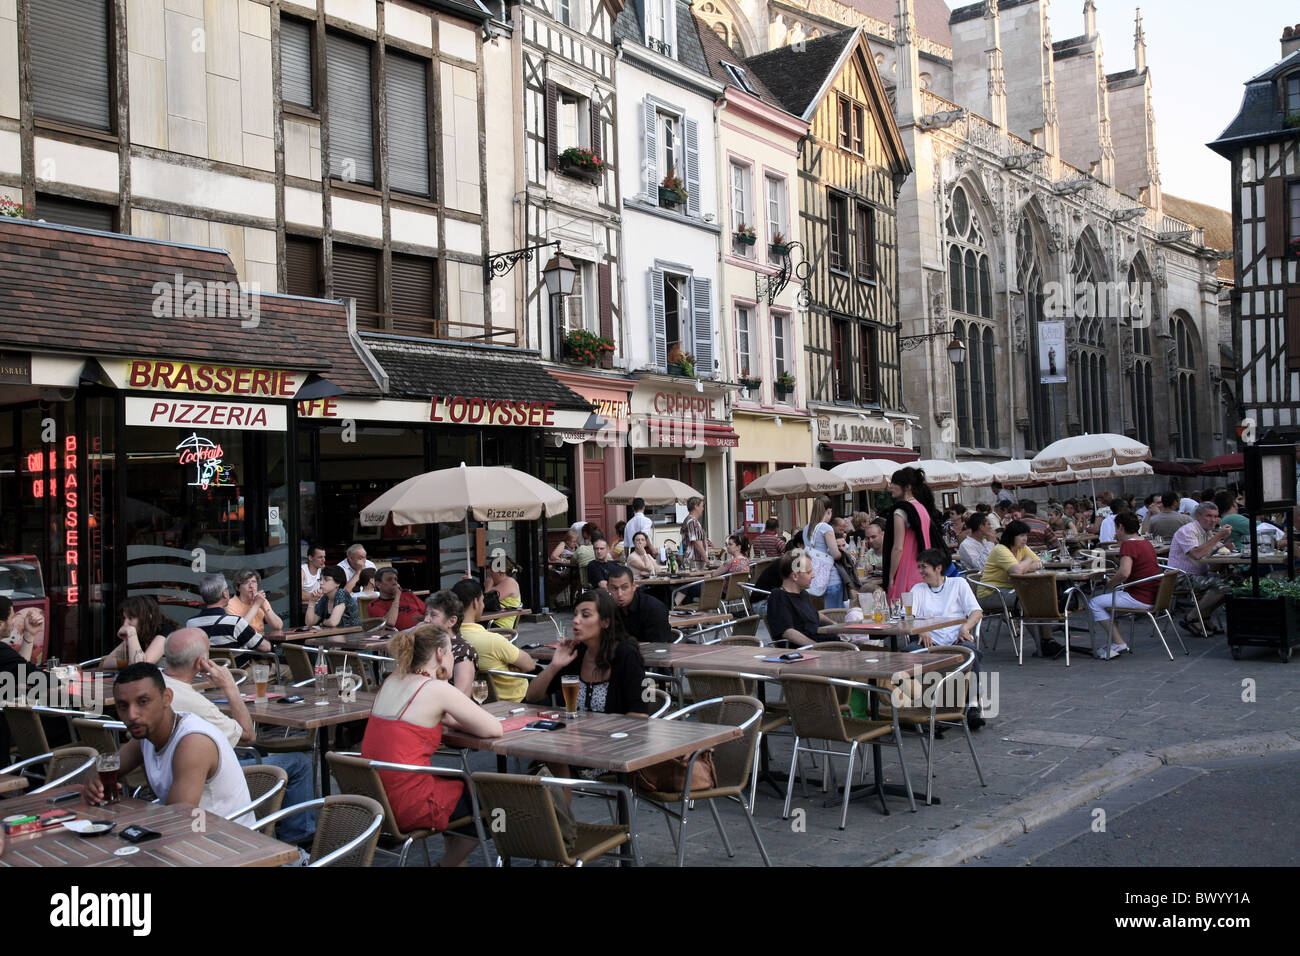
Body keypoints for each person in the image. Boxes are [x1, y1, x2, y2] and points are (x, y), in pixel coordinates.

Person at [360, 624, 503, 866]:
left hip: (375, 798)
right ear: (439, 654)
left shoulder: (392, 680)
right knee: (497, 806)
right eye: (451, 652)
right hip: (409, 803)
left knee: (460, 789)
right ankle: (449, 863)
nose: (453, 658)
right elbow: (494, 729)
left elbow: (436, 718)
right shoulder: (435, 689)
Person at [160, 629, 316, 843]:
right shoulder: (194, 704)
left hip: (177, 775)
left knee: (259, 752)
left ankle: (273, 815)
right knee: (299, 763)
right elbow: (248, 736)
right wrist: (229, 687)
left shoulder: (159, 686)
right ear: (201, 662)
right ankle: (298, 841)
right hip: (208, 785)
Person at [83, 662, 254, 825]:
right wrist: (93, 779)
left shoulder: (193, 742)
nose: (132, 714)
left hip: (225, 844)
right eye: (123, 706)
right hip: (190, 835)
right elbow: (106, 766)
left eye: (143, 702)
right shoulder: (147, 733)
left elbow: (176, 820)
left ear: (167, 698)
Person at [526, 589, 647, 715]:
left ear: (605, 622)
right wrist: (554, 666)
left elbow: (640, 714)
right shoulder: (577, 653)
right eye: (575, 614)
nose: (576, 620)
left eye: (585, 615)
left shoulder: (627, 655)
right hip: (574, 732)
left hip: (615, 733)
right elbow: (532, 697)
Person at [905, 548, 985, 729]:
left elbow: (976, 612)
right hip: (929, 642)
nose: (920, 571)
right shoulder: (918, 589)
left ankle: (973, 706)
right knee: (907, 654)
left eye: (924, 567)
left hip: (956, 641)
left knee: (970, 652)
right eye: (919, 567)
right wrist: (921, 629)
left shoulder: (958, 584)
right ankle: (919, 707)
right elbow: (909, 617)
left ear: (938, 568)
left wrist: (965, 627)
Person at [978, 520, 1060, 657]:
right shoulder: (1001, 550)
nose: (1025, 539)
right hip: (990, 594)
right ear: (1011, 536)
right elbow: (1016, 571)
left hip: (1010, 590)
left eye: (1026, 535)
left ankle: (1048, 640)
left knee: (1042, 595)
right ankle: (1041, 644)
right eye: (1021, 535)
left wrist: (1024, 565)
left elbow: (1039, 562)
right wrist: (1027, 561)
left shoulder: (1022, 548)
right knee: (1028, 600)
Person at [1086, 513, 1161, 659]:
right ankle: (1114, 641)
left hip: (1139, 596)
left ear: (1120, 527)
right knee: (1109, 601)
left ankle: (1118, 642)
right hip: (1152, 594)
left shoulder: (1129, 545)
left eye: (1115, 528)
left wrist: (1110, 583)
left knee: (1095, 603)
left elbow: (1125, 573)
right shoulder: (1145, 542)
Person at [450, 579, 534, 702]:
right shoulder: (493, 641)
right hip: (517, 701)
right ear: (475, 602)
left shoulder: (447, 637)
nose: (483, 605)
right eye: (482, 600)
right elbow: (529, 665)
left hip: (478, 701)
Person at [1168, 501, 1232, 636]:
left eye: (1215, 516)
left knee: (1233, 582)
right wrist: (1218, 537)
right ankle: (1191, 617)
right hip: (1180, 577)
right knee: (1222, 586)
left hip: (1200, 574)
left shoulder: (1207, 531)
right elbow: (1197, 554)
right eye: (1209, 516)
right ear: (1198, 516)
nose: (1213, 520)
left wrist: (1226, 546)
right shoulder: (1188, 530)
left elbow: (1214, 550)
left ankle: (1203, 616)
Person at [883, 467, 942, 602]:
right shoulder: (922, 508)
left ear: (907, 487)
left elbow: (898, 548)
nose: (890, 487)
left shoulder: (901, 511)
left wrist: (891, 576)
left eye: (894, 483)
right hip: (925, 569)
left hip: (906, 570)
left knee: (904, 613)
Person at [765, 549, 840, 647]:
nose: (813, 575)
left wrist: (834, 624)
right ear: (795, 576)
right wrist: (817, 647)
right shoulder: (778, 596)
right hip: (805, 653)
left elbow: (814, 614)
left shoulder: (802, 593)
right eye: (809, 572)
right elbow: (787, 632)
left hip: (823, 642)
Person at [188, 573, 270, 654]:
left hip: (208, 666)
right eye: (227, 589)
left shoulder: (191, 623)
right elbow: (266, 647)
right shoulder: (234, 622)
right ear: (224, 593)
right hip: (237, 667)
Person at [423, 591, 478, 695]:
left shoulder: (463, 652)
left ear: (452, 621)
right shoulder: (428, 645)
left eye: (433, 615)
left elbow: (460, 699)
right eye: (426, 614)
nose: (426, 619)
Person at [99, 596, 170, 669]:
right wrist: (130, 661)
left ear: (148, 618)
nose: (125, 624)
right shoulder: (141, 633)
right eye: (124, 618)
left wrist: (131, 632)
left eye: (130, 618)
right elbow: (106, 663)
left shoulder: (165, 630)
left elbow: (141, 667)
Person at [606, 566, 671, 644]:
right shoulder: (607, 609)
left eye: (624, 587)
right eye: (614, 589)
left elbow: (660, 646)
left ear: (634, 586)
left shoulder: (653, 609)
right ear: (608, 588)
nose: (620, 594)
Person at [803, 494, 846, 609]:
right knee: (834, 618)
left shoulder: (806, 528)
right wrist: (842, 550)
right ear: (829, 511)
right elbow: (836, 555)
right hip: (831, 579)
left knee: (819, 617)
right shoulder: (826, 528)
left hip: (813, 580)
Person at [226, 569, 284, 636]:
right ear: (237, 588)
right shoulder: (230, 604)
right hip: (242, 643)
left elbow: (278, 626)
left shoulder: (260, 600)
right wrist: (256, 605)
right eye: (246, 582)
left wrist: (264, 605)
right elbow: (239, 630)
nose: (251, 586)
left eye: (254, 582)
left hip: (261, 641)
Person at [484, 562, 524, 629]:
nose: (489, 575)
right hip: (492, 623)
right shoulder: (501, 583)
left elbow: (486, 603)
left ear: (500, 572)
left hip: (498, 626)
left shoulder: (509, 582)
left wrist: (487, 588)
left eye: (491, 571)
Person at [680, 496, 709, 567]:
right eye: (702, 506)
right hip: (694, 561)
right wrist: (706, 559)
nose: (703, 509)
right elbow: (696, 541)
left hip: (690, 560)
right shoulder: (692, 522)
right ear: (696, 506)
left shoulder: (688, 520)